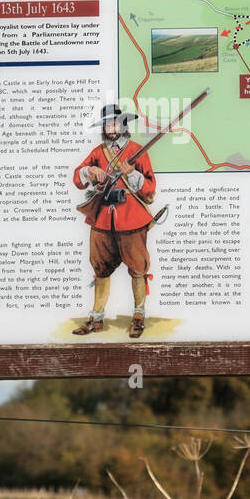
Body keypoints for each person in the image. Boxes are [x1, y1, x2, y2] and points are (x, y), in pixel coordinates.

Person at [72, 104, 157, 338]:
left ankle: (138, 316)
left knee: (138, 268)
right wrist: (90, 171)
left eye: (115, 123)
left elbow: (150, 190)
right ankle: (96, 318)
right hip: (102, 219)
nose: (111, 128)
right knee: (100, 269)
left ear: (123, 125)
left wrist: (132, 174)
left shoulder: (138, 151)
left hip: (131, 218)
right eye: (107, 124)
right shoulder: (98, 153)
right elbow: (77, 178)